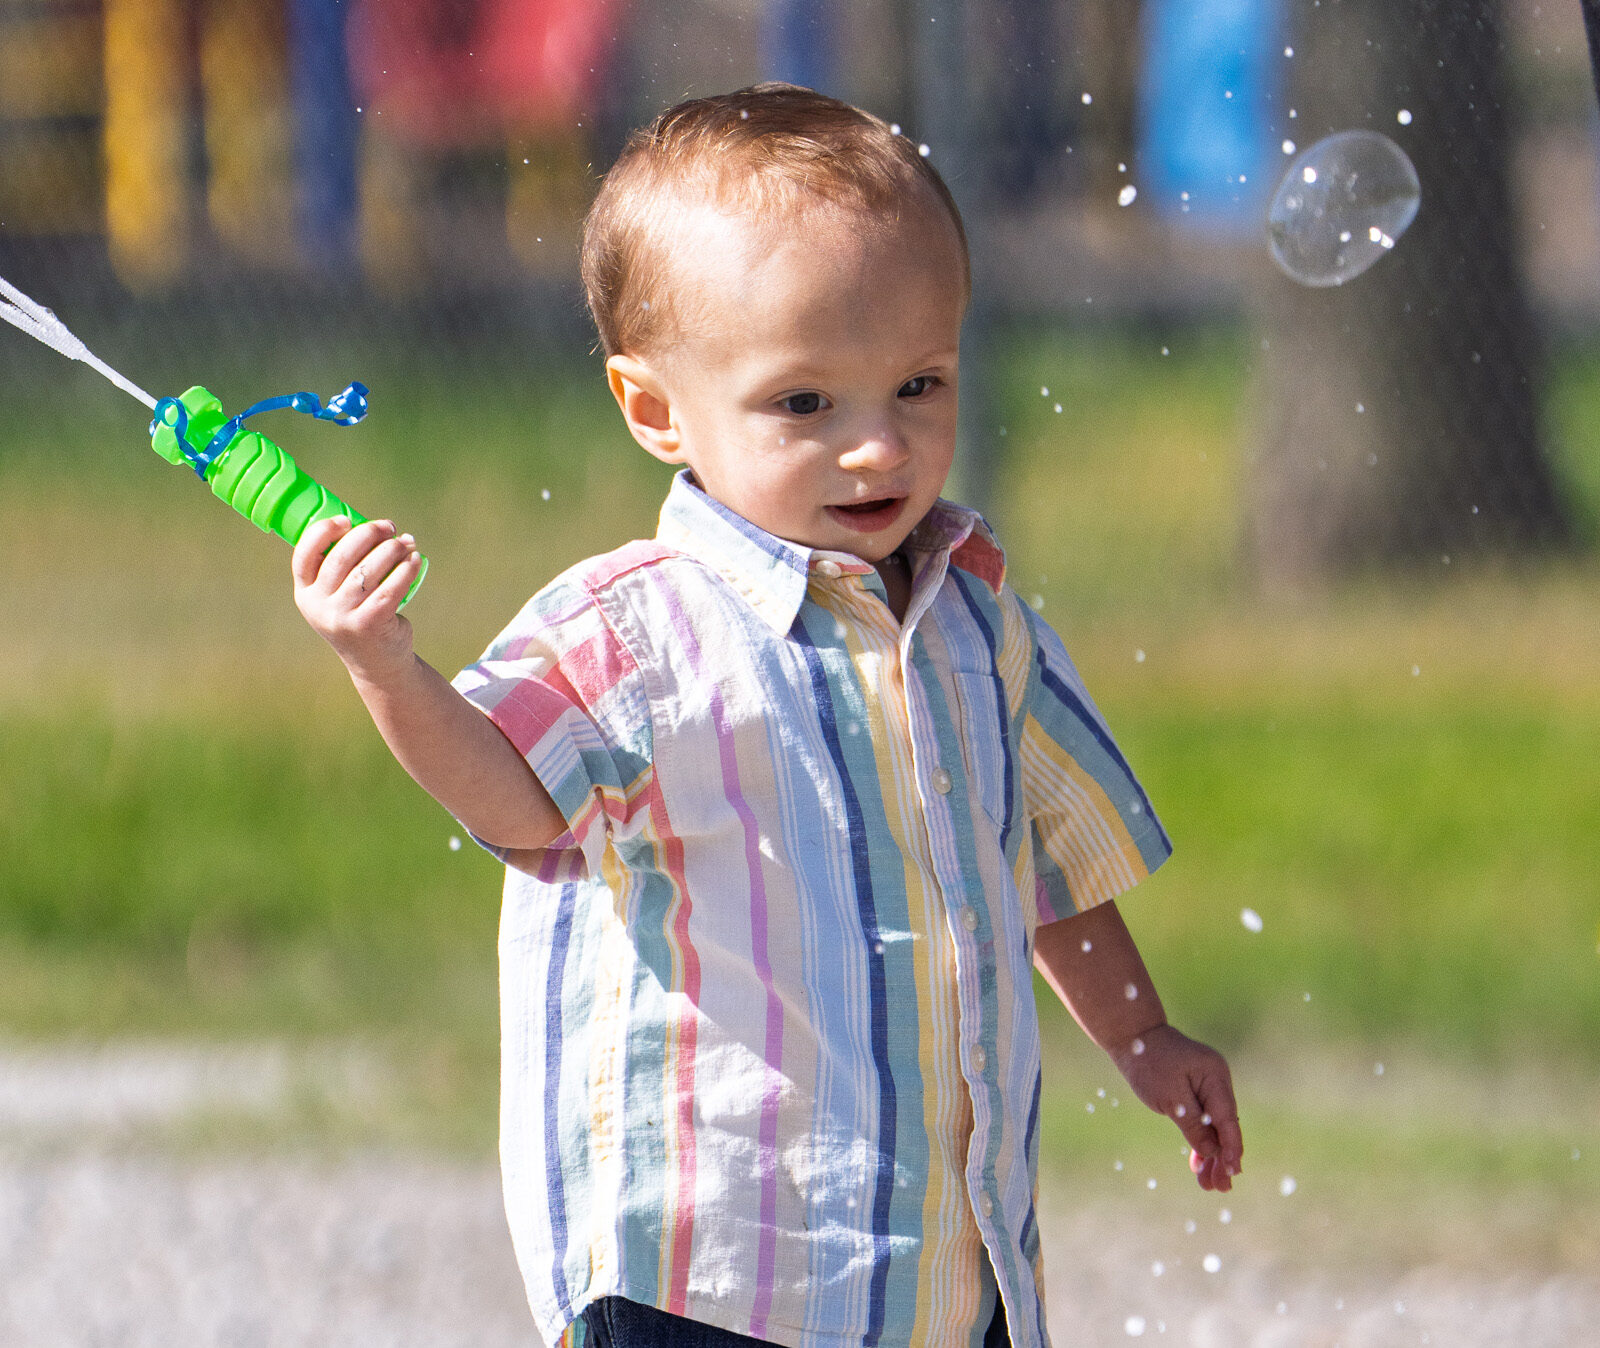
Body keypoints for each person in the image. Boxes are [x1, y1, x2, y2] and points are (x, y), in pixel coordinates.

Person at [291, 83, 1242, 1348]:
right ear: (655, 410)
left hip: (937, 1275)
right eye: (805, 404)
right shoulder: (637, 630)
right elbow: (510, 796)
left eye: (918, 384)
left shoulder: (977, 622)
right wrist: (384, 668)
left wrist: (1139, 1031)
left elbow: (1049, 861)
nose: (878, 448)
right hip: (713, 1270)